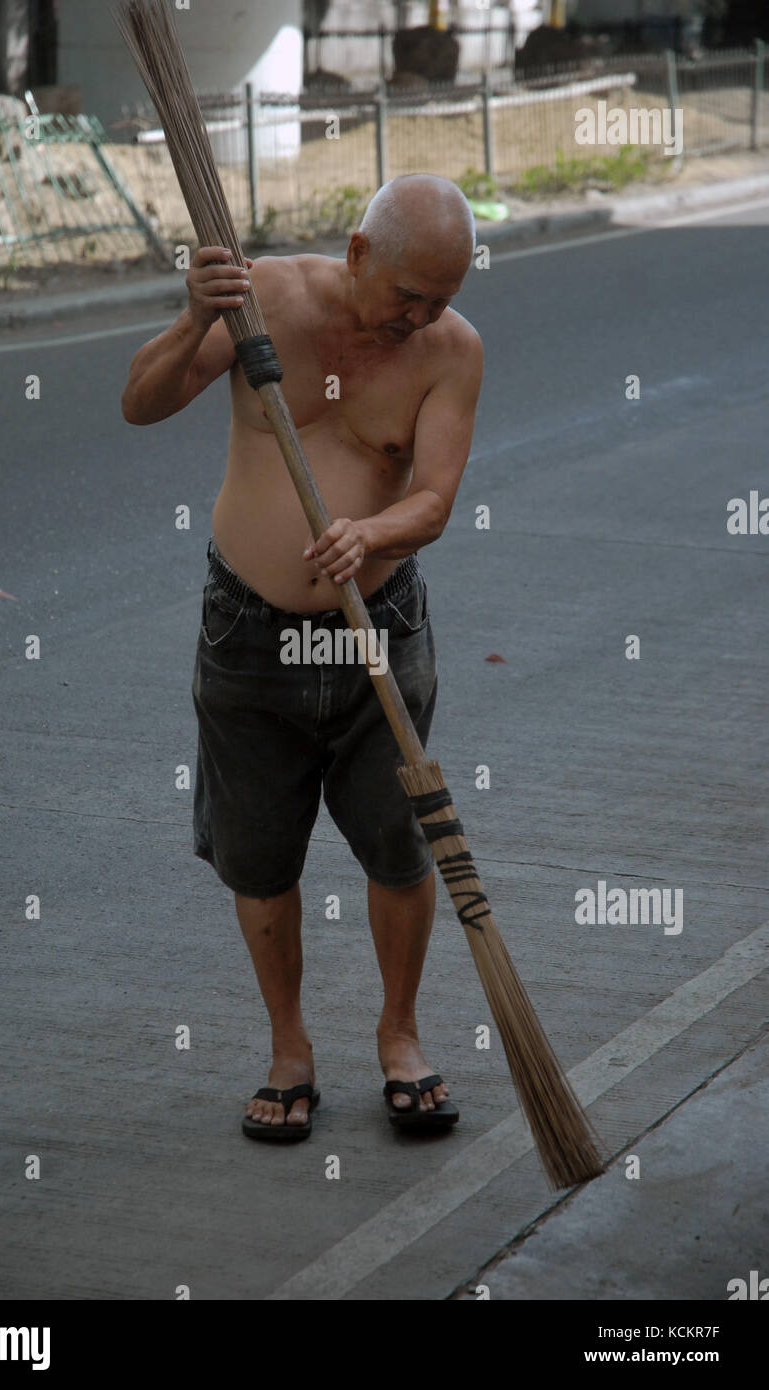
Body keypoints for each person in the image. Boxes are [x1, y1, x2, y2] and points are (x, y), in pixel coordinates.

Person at [121, 173, 483, 1141]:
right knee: (260, 855)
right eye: (410, 293)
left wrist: (371, 533)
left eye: (443, 298)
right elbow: (142, 404)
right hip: (249, 630)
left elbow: (437, 500)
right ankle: (290, 1050)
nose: (423, 315)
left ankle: (400, 1039)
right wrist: (193, 312)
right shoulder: (264, 297)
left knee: (399, 847)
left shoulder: (451, 350)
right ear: (360, 253)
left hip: (380, 631)